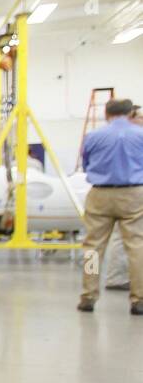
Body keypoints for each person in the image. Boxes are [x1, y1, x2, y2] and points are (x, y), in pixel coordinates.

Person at [79, 97, 143, 313]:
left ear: (106, 114)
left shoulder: (93, 136)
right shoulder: (141, 134)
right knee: (136, 247)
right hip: (134, 194)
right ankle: (139, 299)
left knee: (93, 248)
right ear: (130, 114)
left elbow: (86, 164)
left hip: (100, 194)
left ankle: (88, 296)